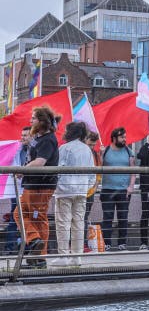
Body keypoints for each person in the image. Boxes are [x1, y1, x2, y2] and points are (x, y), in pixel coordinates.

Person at [15, 106, 60, 268]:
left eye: (33, 118)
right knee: (27, 215)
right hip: (34, 185)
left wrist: (22, 170)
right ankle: (37, 252)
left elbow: (40, 162)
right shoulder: (40, 137)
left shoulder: (48, 139)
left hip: (39, 186)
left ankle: (36, 248)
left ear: (41, 122)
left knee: (32, 216)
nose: (30, 120)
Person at [52, 121, 95, 266]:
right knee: (78, 223)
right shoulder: (87, 149)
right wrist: (86, 186)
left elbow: (58, 169)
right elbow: (92, 173)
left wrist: (56, 185)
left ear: (70, 132)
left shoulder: (64, 148)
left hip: (64, 191)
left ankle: (63, 256)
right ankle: (76, 256)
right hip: (81, 190)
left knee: (63, 223)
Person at [100, 127, 136, 251]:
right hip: (107, 190)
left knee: (123, 217)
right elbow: (98, 167)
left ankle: (122, 243)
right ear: (114, 138)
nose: (124, 139)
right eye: (122, 137)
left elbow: (133, 171)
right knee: (107, 217)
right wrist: (100, 154)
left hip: (124, 191)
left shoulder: (128, 152)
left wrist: (131, 186)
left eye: (125, 137)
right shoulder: (105, 151)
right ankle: (107, 243)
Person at [3, 126, 29, 255]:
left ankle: (28, 247)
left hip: (30, 189)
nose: (22, 138)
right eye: (22, 135)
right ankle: (10, 248)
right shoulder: (16, 148)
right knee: (15, 216)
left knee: (28, 218)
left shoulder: (35, 150)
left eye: (25, 135)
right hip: (17, 188)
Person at [82, 131, 101, 252]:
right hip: (78, 191)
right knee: (75, 218)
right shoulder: (81, 153)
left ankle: (83, 244)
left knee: (84, 218)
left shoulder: (95, 154)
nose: (91, 147)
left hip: (90, 192)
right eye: (89, 144)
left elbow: (98, 174)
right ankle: (73, 244)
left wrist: (94, 187)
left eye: (93, 145)